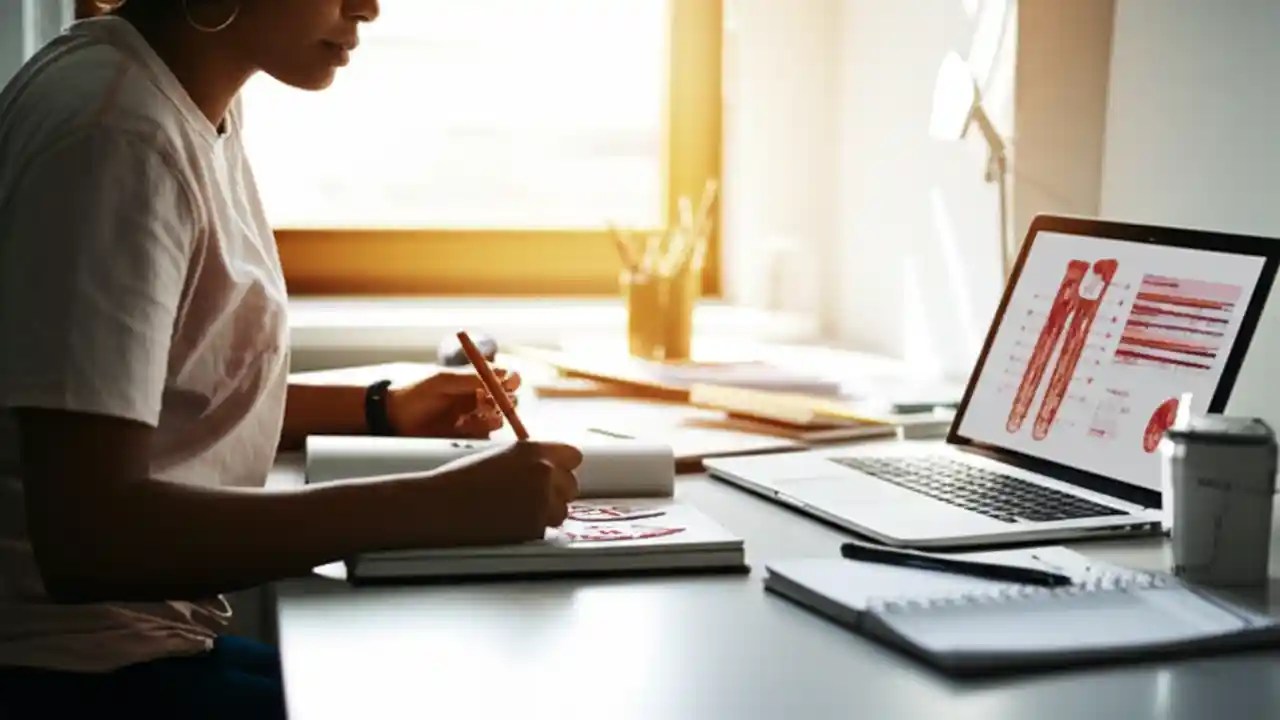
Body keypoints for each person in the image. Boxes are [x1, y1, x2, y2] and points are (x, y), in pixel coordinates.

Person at [0, 1, 583, 717]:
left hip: (135, 651)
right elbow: (89, 536)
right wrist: (439, 506)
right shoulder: (117, 138)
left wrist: (381, 407)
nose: (368, 7)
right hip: (73, 680)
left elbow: (162, 392)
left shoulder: (170, 95)